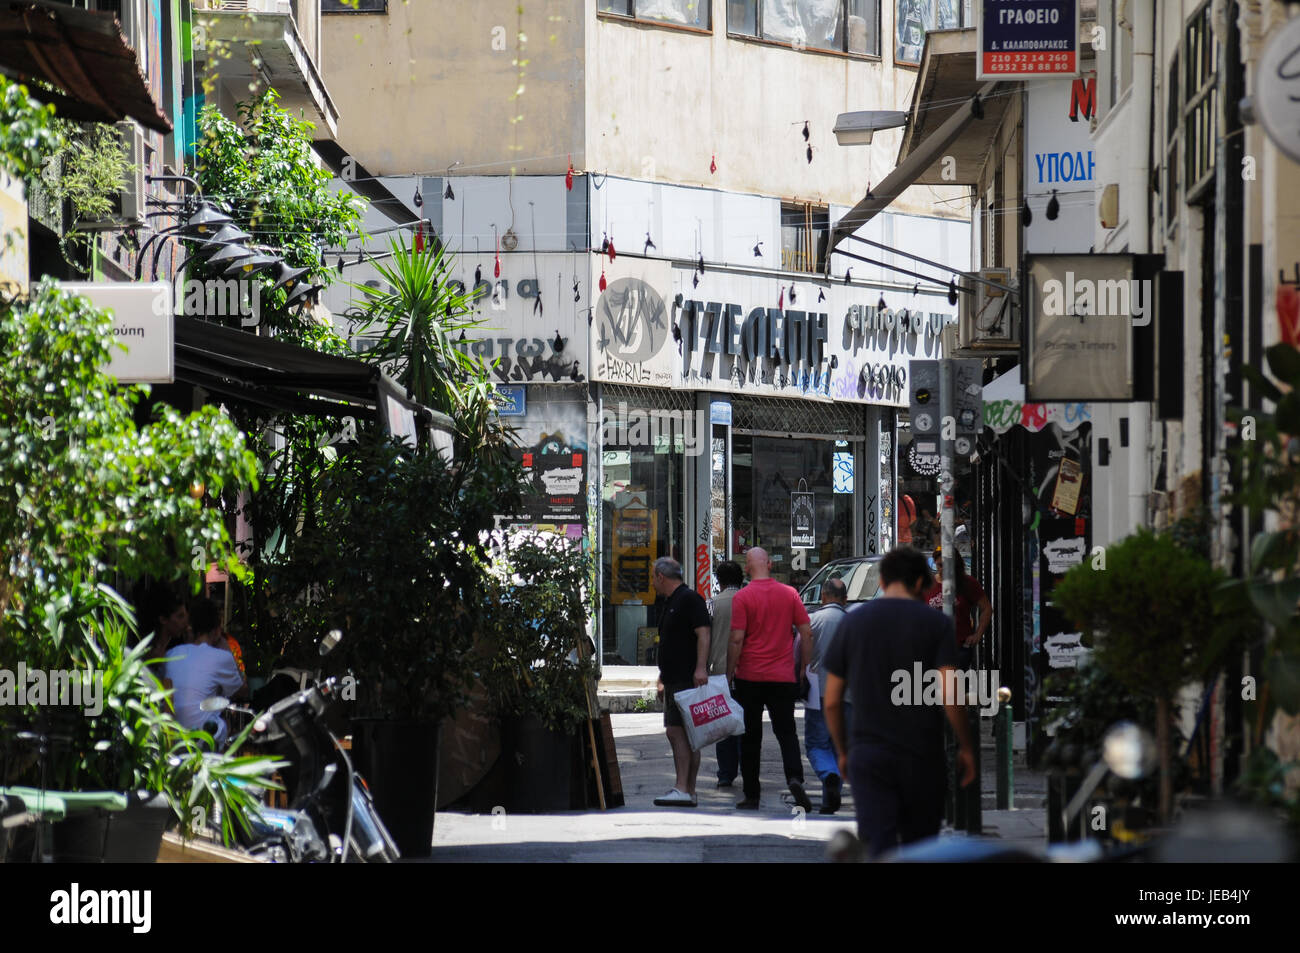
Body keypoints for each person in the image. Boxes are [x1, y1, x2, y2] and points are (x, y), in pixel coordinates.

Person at [823, 547, 976, 858]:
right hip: (921, 756)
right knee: (920, 848)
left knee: (877, 846)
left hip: (869, 755)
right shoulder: (936, 625)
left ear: (881, 581)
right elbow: (949, 692)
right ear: (920, 582)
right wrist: (966, 746)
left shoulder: (853, 623)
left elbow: (831, 700)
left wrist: (842, 751)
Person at [727, 546, 814, 811]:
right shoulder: (789, 594)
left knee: (750, 737)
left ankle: (752, 794)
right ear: (770, 565)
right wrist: (803, 668)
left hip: (749, 677)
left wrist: (730, 671)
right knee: (786, 732)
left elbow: (737, 638)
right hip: (782, 676)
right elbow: (806, 632)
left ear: (747, 568)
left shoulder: (742, 597)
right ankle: (795, 778)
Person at [651, 557, 711, 807]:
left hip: (685, 678)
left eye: (653, 577)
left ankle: (683, 787)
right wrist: (662, 677)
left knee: (678, 732)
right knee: (684, 733)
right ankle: (687, 789)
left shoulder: (688, 599)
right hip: (673, 677)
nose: (652, 583)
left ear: (660, 577)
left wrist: (700, 667)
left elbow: (703, 633)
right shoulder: (671, 602)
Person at [164, 597, 247, 748]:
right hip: (202, 739)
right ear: (217, 630)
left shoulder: (171, 653)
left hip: (170, 738)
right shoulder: (222, 657)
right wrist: (224, 645)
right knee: (225, 722)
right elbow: (241, 690)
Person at [804, 576, 850, 813]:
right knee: (837, 746)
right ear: (846, 600)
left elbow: (800, 653)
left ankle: (828, 775)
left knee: (816, 743)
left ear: (823, 596)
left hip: (819, 692)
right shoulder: (854, 622)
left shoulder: (812, 620)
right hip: (848, 695)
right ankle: (829, 799)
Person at [925, 545, 992, 670]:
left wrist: (977, 635)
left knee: (956, 687)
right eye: (939, 565)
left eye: (947, 564)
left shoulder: (968, 583)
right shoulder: (928, 585)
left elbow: (986, 609)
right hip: (932, 650)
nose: (943, 569)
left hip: (959, 649)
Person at [709, 560, 744, 787]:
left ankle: (725, 773)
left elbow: (704, 639)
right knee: (746, 721)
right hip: (748, 671)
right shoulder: (750, 600)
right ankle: (748, 767)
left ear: (718, 581)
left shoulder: (711, 604)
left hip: (719, 672)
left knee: (723, 725)